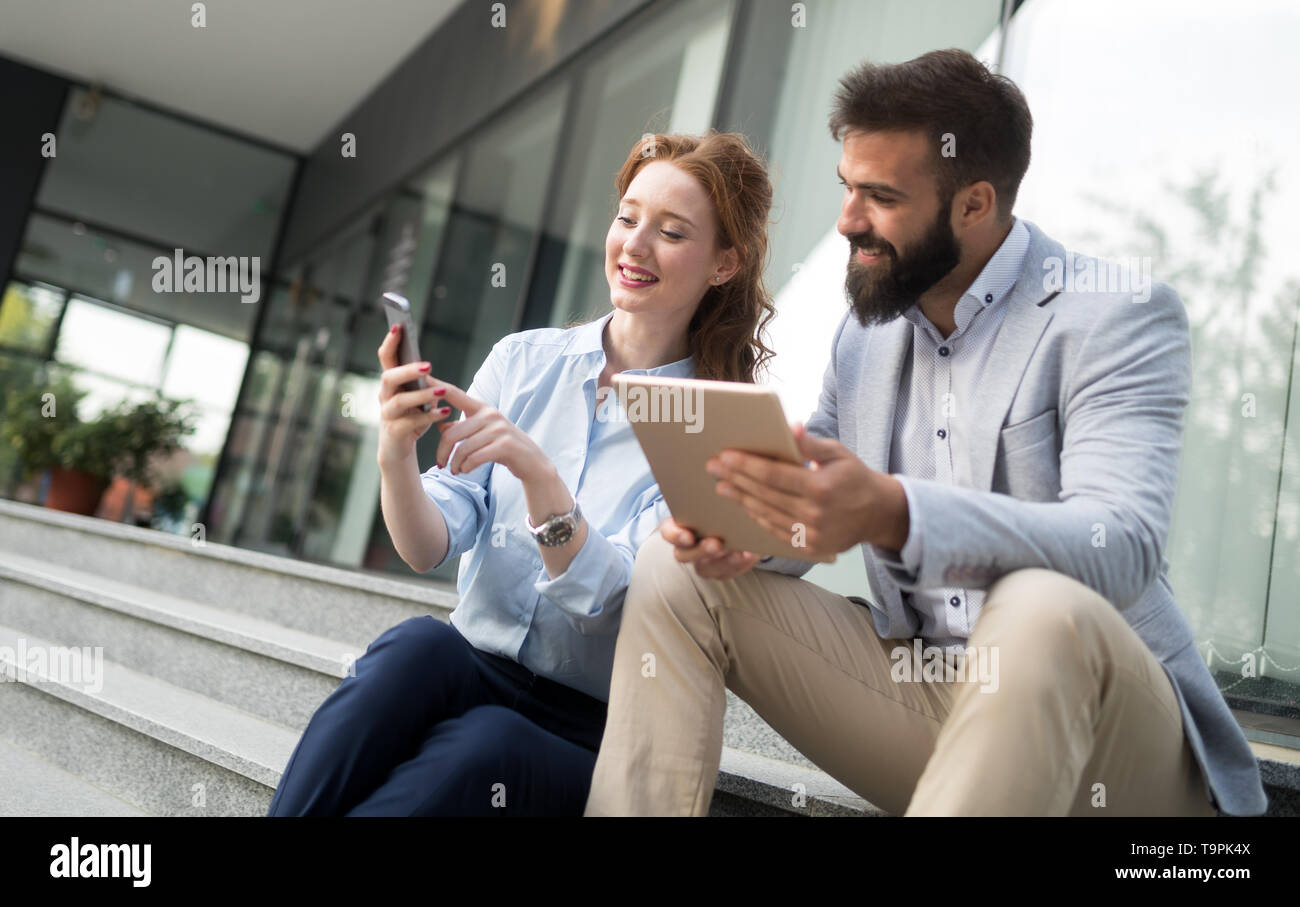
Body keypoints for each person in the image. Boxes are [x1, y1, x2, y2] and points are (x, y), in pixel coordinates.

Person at [584, 50, 1268, 817]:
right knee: (674, 572)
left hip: (1119, 746)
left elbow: (1123, 541)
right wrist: (751, 527)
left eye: (879, 196)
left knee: (1040, 607)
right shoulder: (865, 337)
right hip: (931, 697)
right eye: (847, 187)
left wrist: (894, 511)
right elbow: (818, 509)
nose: (847, 219)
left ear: (974, 204)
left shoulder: (1112, 315)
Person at [266, 131, 775, 816]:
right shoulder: (524, 360)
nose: (635, 244)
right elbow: (426, 545)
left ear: (724, 264)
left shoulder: (717, 429)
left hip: (595, 727)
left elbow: (616, 607)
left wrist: (539, 476)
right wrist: (395, 452)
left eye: (672, 231)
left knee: (488, 742)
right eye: (627, 216)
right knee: (415, 645)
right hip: (475, 664)